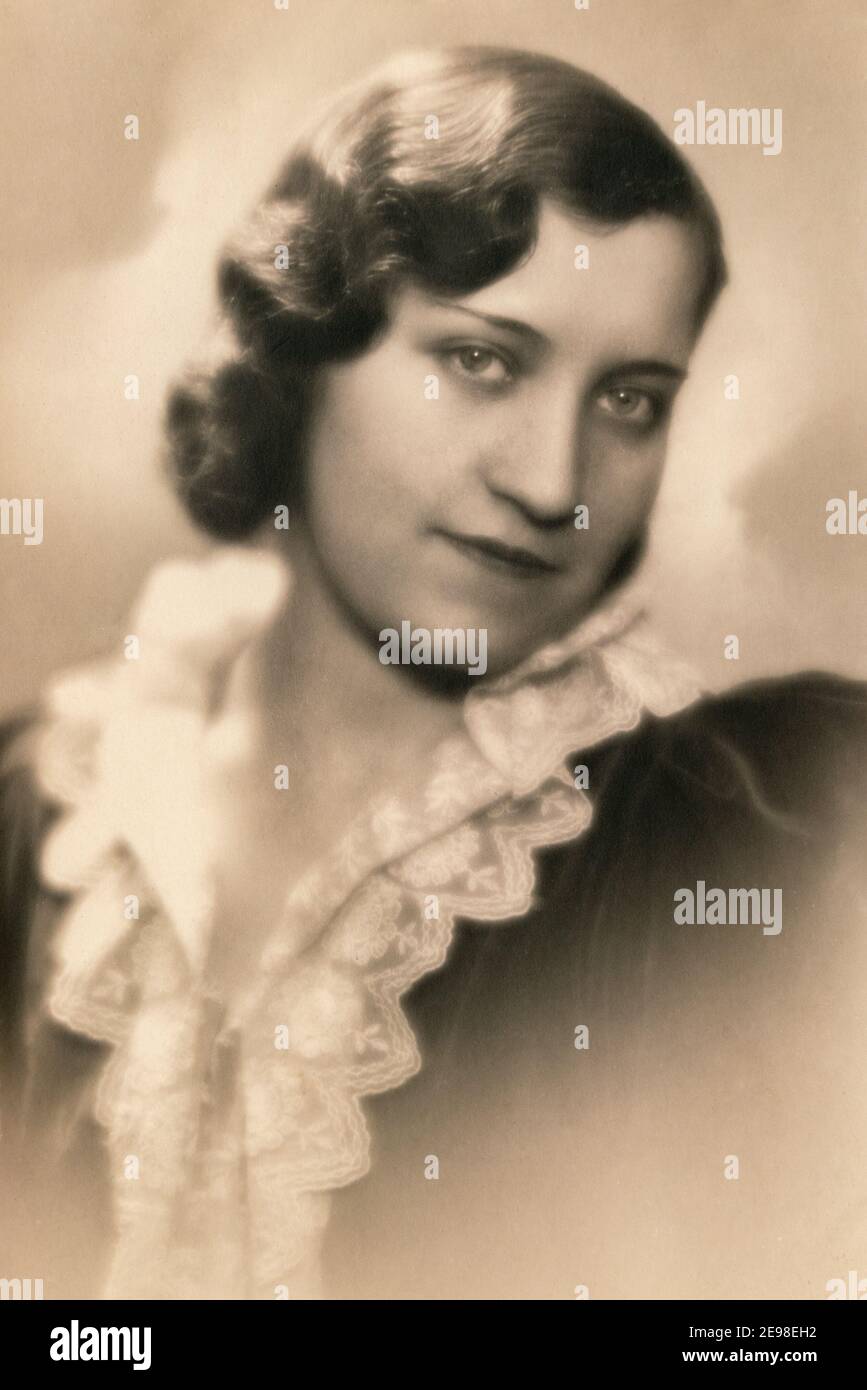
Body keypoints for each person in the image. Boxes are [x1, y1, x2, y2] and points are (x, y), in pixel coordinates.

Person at [1, 45, 864, 1301]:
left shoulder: (775, 830)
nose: (554, 484)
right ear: (299, 349)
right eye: (483, 360)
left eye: (629, 399)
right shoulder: (43, 815)